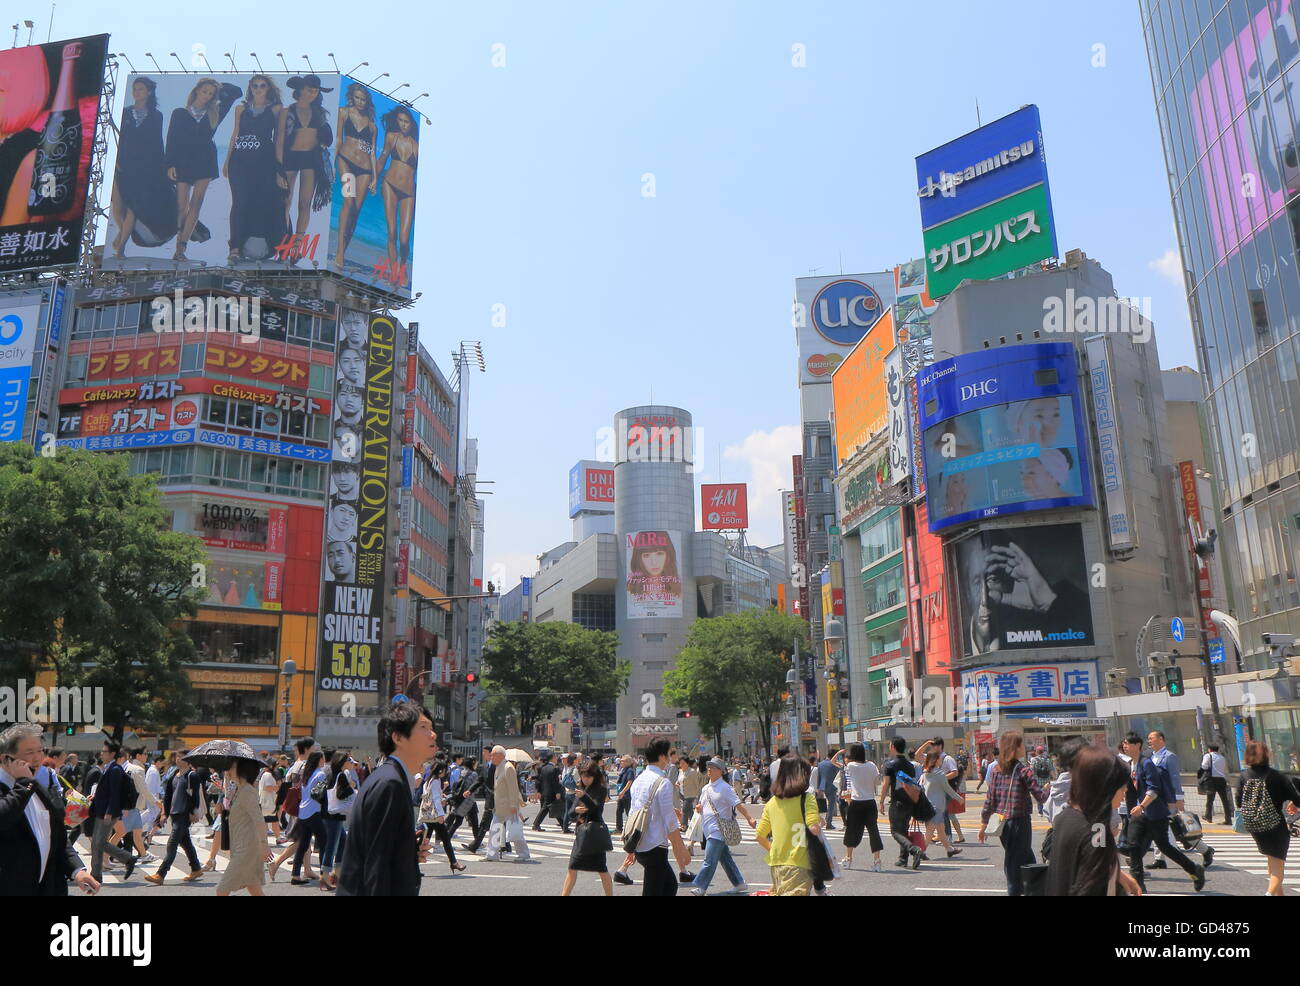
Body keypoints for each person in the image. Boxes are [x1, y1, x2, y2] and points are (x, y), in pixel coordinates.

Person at [337, 702, 437, 896]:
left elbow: (382, 848)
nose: (432, 734)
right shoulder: (390, 784)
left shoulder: (391, 777)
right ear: (398, 737)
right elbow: (377, 863)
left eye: (432, 728)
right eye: (423, 728)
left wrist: (408, 849)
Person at [0, 724, 99, 896]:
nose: (38, 758)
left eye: (40, 750)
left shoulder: (35, 786)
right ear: (5, 759)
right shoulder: (24, 786)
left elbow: (57, 837)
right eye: (29, 753)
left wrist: (77, 870)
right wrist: (23, 784)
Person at [1044, 744, 1143, 896]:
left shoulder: (1066, 816)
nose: (1126, 790)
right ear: (1105, 786)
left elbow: (1091, 864)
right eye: (1121, 785)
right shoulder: (1097, 828)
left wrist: (1119, 875)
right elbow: (1092, 883)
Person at [1124, 731, 1205, 893]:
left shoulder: (1146, 763)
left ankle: (1194, 869)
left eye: (1127, 743)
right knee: (1134, 848)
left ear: (1136, 745)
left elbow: (1154, 788)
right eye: (1124, 744)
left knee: (1164, 846)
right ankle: (1139, 886)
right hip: (1140, 815)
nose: (1124, 746)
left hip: (1154, 813)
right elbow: (1132, 790)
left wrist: (1142, 806)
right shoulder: (1131, 764)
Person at [223, 74, 288, 262]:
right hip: (239, 162)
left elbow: (279, 139)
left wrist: (279, 169)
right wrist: (227, 161)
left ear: (268, 88)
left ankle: (265, 245)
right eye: (255, 86)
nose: (258, 89)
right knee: (239, 202)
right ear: (250, 88)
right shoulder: (240, 108)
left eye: (262, 86)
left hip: (264, 162)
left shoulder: (277, 109)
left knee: (259, 201)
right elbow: (235, 134)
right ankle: (234, 247)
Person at [978, 731, 1048, 896]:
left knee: (1025, 857)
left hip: (1003, 825)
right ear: (1015, 748)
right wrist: (1048, 789)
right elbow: (1041, 797)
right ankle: (1017, 892)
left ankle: (1035, 889)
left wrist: (983, 823)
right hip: (1020, 822)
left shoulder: (996, 770)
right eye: (1021, 744)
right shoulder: (1024, 771)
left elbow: (990, 800)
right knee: (1014, 864)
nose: (1024, 747)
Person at [627, 738, 693, 896]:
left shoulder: (638, 780)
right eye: (670, 754)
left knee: (669, 885)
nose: (671, 759)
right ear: (662, 757)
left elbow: (631, 814)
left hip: (640, 842)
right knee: (656, 890)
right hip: (655, 845)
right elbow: (669, 820)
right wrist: (681, 849)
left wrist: (631, 845)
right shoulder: (663, 783)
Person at [1235, 739, 1300, 896]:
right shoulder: (1277, 776)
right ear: (1267, 754)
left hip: (1256, 827)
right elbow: (1297, 799)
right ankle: (1269, 894)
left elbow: (1238, 802)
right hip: (1275, 825)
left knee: (1272, 861)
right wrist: (1291, 802)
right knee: (1278, 868)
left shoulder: (1244, 776)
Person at [755, 754, 824, 896]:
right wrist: (818, 822)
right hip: (800, 863)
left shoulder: (772, 802)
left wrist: (772, 849)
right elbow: (814, 828)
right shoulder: (807, 799)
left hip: (776, 864)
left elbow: (760, 835)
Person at [689, 756, 755, 896]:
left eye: (713, 767)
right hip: (708, 829)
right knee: (725, 859)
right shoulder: (706, 788)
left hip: (718, 830)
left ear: (721, 771)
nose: (710, 769)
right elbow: (702, 805)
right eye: (709, 767)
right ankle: (739, 883)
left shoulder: (725, 788)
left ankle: (701, 886)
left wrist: (749, 818)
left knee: (709, 860)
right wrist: (699, 808)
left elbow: (738, 804)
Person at [144, 754, 204, 886]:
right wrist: (164, 813)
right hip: (174, 813)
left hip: (184, 814)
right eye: (177, 757)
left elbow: (195, 795)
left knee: (172, 844)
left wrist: (193, 811)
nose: (178, 759)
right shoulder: (174, 775)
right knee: (186, 842)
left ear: (188, 761)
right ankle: (196, 868)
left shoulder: (191, 776)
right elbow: (168, 796)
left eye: (181, 757)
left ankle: (161, 874)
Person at [216, 759, 268, 896]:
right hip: (241, 845)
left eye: (232, 768)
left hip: (247, 849)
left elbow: (259, 820)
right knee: (254, 888)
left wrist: (264, 844)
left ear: (242, 770)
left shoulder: (247, 791)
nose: (228, 770)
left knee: (222, 890)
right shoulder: (239, 789)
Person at [88, 740, 137, 883]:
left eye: (104, 751)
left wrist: (109, 812)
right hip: (102, 810)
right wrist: (96, 796)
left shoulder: (115, 769)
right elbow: (107, 791)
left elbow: (115, 794)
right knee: (97, 843)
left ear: (112, 754)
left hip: (108, 812)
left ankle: (128, 858)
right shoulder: (109, 767)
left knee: (99, 843)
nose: (101, 754)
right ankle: (95, 874)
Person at [564, 760, 614, 896]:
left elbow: (597, 809)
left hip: (594, 833)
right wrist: (576, 811)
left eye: (588, 776)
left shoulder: (601, 789)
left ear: (595, 776)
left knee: (602, 869)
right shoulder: (582, 789)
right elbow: (570, 813)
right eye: (583, 776)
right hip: (581, 834)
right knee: (572, 867)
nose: (585, 779)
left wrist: (584, 798)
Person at [833, 744, 882, 871]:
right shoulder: (872, 765)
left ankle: (848, 859)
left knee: (851, 830)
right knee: (873, 831)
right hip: (870, 802)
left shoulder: (851, 766)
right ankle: (877, 861)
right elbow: (877, 782)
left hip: (856, 802)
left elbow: (845, 772)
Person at [879, 735, 925, 869]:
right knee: (903, 829)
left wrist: (881, 801)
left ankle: (913, 850)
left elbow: (885, 784)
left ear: (892, 747)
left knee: (895, 831)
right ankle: (902, 859)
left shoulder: (890, 765)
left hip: (897, 802)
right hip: (909, 802)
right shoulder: (910, 766)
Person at [1040, 737, 1088, 861]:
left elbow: (1048, 814)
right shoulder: (1088, 786)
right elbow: (1108, 826)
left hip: (1059, 851)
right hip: (1084, 852)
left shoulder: (1054, 789)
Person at [419, 759, 467, 874]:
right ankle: (454, 863)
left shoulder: (428, 780)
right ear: (441, 770)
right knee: (445, 839)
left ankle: (414, 866)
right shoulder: (436, 781)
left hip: (427, 816)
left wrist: (442, 796)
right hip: (434, 817)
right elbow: (435, 799)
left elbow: (429, 796)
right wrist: (440, 814)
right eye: (445, 770)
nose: (446, 773)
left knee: (424, 841)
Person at [484, 747, 530, 862]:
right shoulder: (498, 767)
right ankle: (491, 854)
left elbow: (513, 789)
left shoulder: (508, 768)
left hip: (509, 806)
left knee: (515, 831)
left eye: (493, 755)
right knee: (494, 829)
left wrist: (514, 805)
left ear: (500, 755)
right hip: (499, 806)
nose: (491, 757)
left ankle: (523, 853)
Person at [288, 750, 327, 885]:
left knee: (303, 844)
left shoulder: (306, 774)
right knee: (324, 843)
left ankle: (296, 875)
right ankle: (325, 876)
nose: (324, 761)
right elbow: (321, 794)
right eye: (323, 759)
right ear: (318, 760)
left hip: (303, 812)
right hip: (314, 811)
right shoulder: (321, 774)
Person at [321, 752, 358, 889]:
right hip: (334, 816)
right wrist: (352, 787)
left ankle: (337, 874)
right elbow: (341, 794)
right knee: (331, 847)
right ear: (343, 762)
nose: (351, 762)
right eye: (349, 760)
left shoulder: (331, 773)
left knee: (342, 841)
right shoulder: (341, 775)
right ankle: (325, 878)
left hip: (328, 813)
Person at [920, 750, 962, 858]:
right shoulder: (939, 774)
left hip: (929, 806)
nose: (941, 760)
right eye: (940, 759)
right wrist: (958, 798)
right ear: (936, 760)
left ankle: (950, 849)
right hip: (937, 807)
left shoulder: (925, 773)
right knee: (930, 831)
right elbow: (947, 789)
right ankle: (920, 852)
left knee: (941, 831)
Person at [532, 751, 567, 833]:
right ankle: (536, 824)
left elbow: (539, 780)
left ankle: (563, 825)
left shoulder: (542, 768)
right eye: (555, 757)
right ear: (553, 758)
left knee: (551, 808)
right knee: (551, 808)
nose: (556, 759)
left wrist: (539, 791)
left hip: (545, 792)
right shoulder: (555, 768)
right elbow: (556, 782)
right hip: (553, 792)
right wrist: (558, 792)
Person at [1201, 743, 1232, 823]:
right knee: (1225, 800)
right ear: (1217, 749)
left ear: (1209, 749)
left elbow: (1204, 766)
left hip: (1211, 780)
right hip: (1221, 780)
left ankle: (1208, 817)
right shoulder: (1222, 758)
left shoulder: (1208, 756)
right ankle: (1228, 819)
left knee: (1210, 799)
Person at [815, 751, 840, 830]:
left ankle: (822, 820)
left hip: (821, 786)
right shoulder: (834, 764)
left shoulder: (820, 764)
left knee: (820, 805)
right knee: (831, 805)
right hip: (832, 786)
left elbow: (818, 775)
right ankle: (828, 823)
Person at [613, 755, 636, 833]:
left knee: (628, 812)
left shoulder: (630, 770)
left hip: (627, 795)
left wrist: (623, 792)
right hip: (621, 794)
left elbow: (630, 781)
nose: (620, 762)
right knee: (618, 811)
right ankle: (619, 828)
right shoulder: (623, 770)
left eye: (622, 761)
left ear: (627, 762)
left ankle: (633, 828)